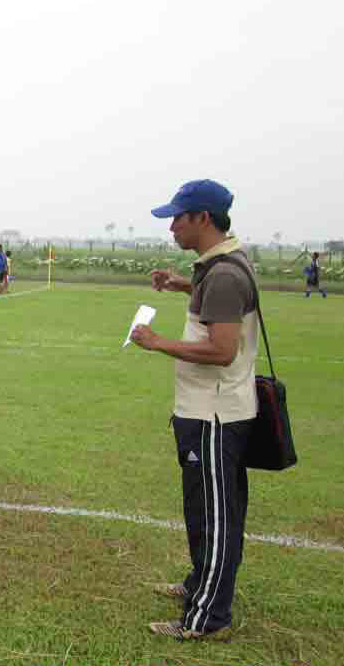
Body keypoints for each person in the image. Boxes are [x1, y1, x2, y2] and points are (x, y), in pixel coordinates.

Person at [131, 179, 258, 642]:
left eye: (177, 219)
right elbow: (215, 300)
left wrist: (157, 342)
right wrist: (180, 284)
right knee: (205, 510)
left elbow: (222, 350)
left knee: (215, 516)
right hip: (207, 411)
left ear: (203, 218)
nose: (171, 229)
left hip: (215, 416)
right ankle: (200, 583)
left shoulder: (223, 274)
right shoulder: (219, 266)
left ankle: (208, 618)